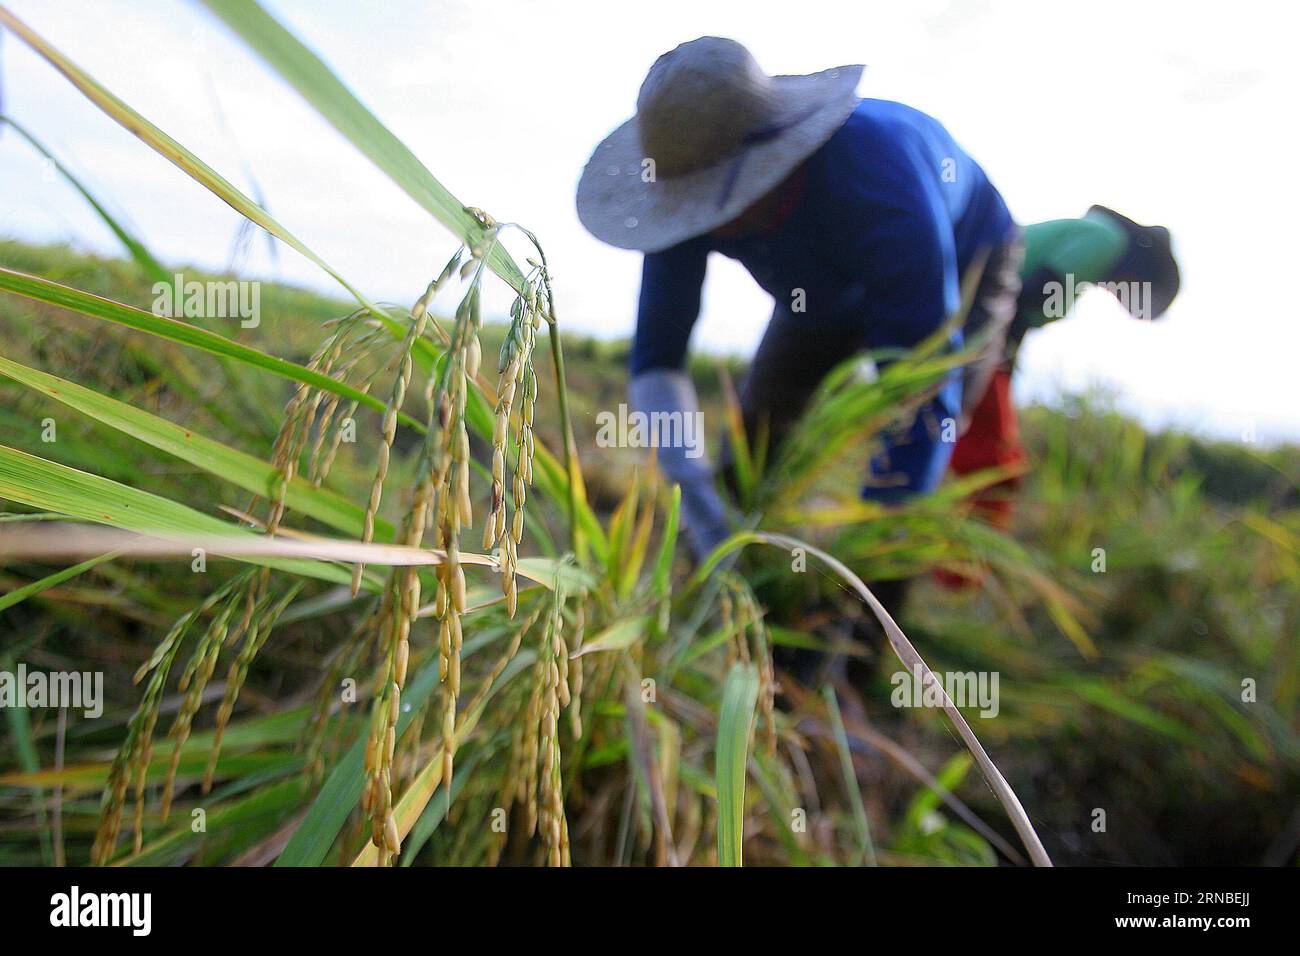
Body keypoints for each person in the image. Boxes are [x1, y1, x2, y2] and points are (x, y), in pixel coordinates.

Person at [576, 36, 1021, 562]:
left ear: (777, 159)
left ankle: (874, 612)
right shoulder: (684, 185)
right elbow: (658, 356)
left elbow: (921, 388)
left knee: (921, 439)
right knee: (754, 442)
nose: (715, 224)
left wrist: (867, 554)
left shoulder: (879, 174)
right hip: (816, 296)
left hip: (966, 260)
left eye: (727, 202)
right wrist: (698, 502)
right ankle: (728, 578)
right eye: (699, 208)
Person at [940, 207, 1181, 550]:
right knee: (991, 463)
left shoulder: (1092, 248)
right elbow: (1026, 294)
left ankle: (946, 563)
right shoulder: (1106, 239)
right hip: (975, 327)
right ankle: (955, 569)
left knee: (981, 454)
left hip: (979, 331)